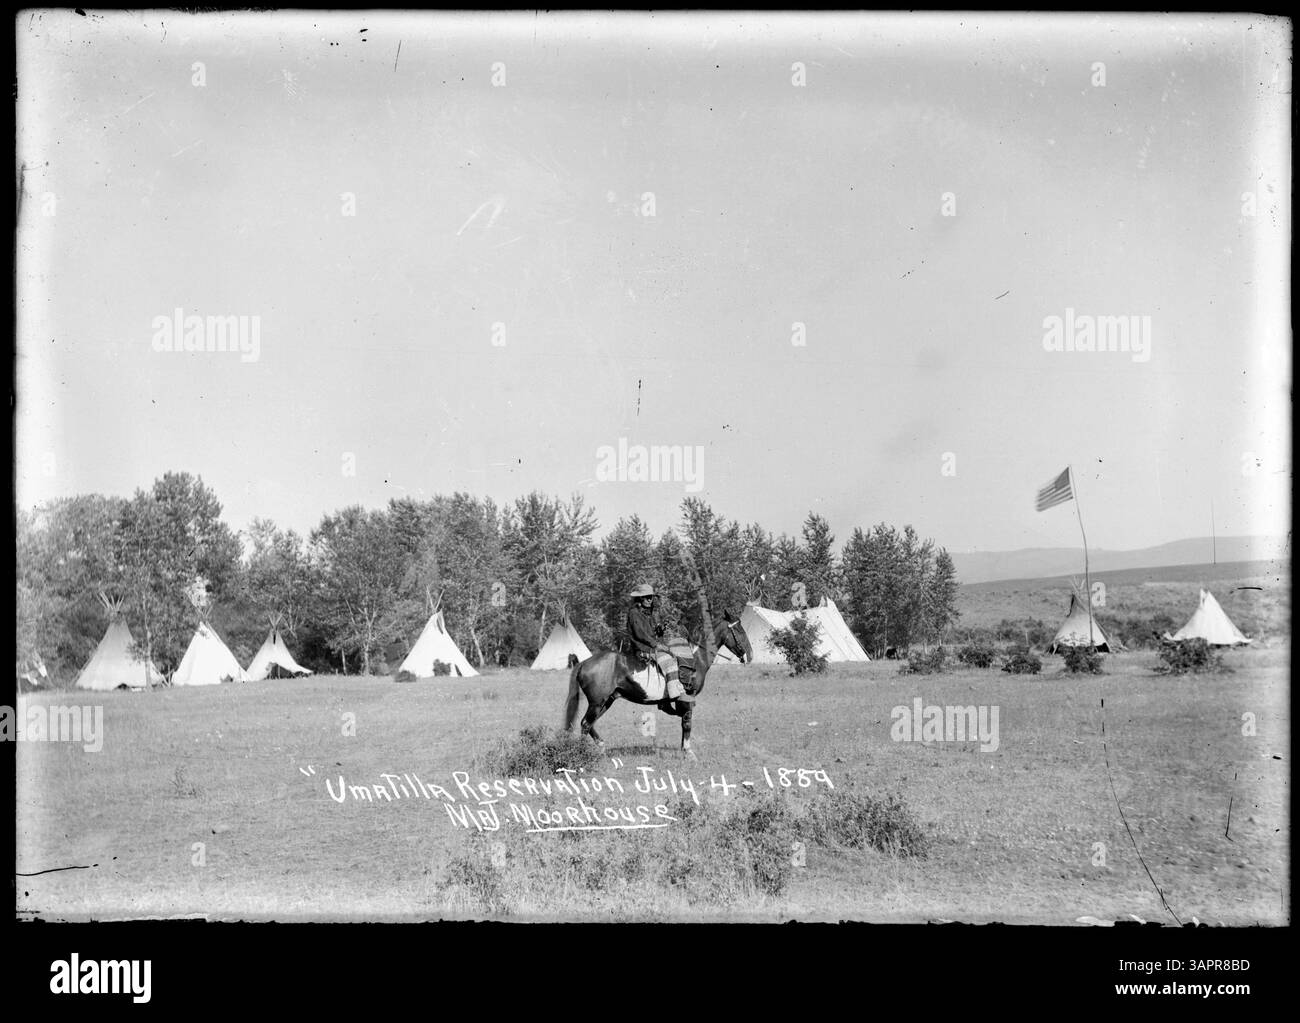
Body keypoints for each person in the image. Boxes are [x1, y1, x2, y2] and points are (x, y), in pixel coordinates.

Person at [625, 584, 692, 703]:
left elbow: (651, 634)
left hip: (649, 646)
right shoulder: (634, 613)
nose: (650, 600)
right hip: (642, 649)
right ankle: (676, 693)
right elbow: (640, 634)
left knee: (676, 653)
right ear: (640, 598)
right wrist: (656, 645)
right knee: (669, 659)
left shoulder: (647, 613)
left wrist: (659, 631)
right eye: (646, 597)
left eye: (651, 597)